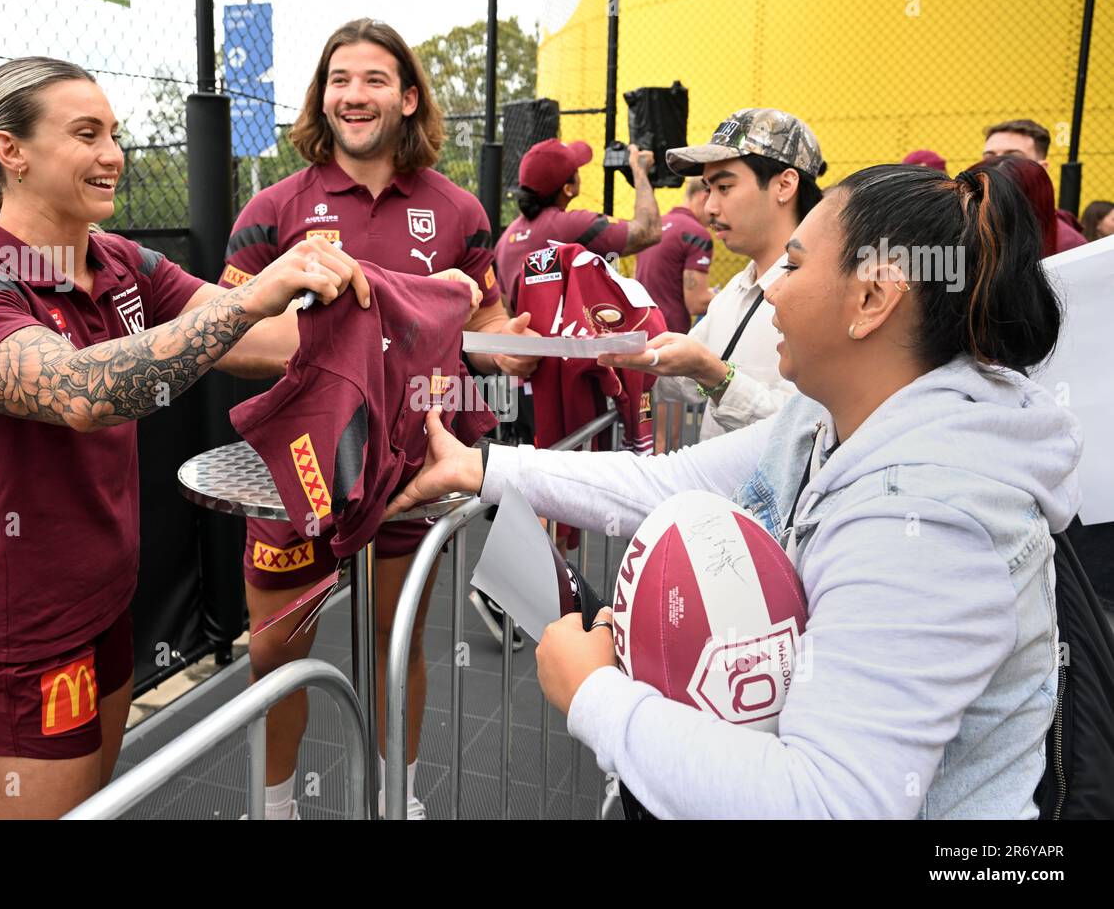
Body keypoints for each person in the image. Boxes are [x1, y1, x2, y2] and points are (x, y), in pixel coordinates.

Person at [388, 161, 1078, 819]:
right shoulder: (825, 417)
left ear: (870, 299)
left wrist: (594, 697)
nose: (771, 287)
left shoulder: (928, 518)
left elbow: (830, 802)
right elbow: (669, 484)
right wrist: (483, 468)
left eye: (798, 266)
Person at [0, 57, 369, 819]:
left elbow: (264, 339)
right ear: (9, 151)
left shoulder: (121, 261)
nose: (113, 154)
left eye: (115, 134)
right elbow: (82, 391)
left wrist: (400, 313)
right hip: (13, 638)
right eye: (86, 134)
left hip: (103, 610)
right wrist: (250, 295)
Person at [212, 19, 538, 819]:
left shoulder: (459, 211)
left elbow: (487, 332)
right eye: (339, 80)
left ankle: (400, 801)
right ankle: (278, 805)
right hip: (294, 471)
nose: (354, 95)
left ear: (409, 96)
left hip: (410, 469)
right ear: (322, 97)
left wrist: (512, 352)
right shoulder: (272, 206)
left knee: (399, 647)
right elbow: (221, 335)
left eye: (375, 79)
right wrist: (350, 342)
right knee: (277, 656)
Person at [601, 107, 825, 442]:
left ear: (785, 185)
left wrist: (715, 375)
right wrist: (614, 350)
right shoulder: (737, 288)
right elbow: (684, 379)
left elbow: (810, 430)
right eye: (708, 188)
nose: (709, 208)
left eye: (724, 187)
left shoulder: (823, 293)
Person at [495, 138, 661, 308]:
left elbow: (506, 306)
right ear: (568, 189)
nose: (579, 172)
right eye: (576, 170)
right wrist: (639, 170)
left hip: (524, 332)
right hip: (566, 334)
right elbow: (649, 231)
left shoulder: (507, 238)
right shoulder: (568, 225)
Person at [982, 118, 1086, 251]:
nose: (997, 164)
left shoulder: (1069, 245)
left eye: (1013, 157)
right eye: (989, 157)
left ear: (1041, 169)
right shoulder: (963, 222)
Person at [632, 176, 714, 335]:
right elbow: (697, 303)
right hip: (670, 334)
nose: (716, 214)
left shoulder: (653, 226)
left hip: (641, 327)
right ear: (704, 197)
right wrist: (728, 296)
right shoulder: (697, 233)